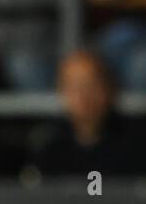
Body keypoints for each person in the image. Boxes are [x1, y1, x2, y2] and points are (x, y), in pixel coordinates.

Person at [28, 49, 146, 179]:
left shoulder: (138, 143)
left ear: (109, 87)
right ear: (61, 91)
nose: (84, 96)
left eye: (91, 85)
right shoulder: (50, 148)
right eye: (74, 87)